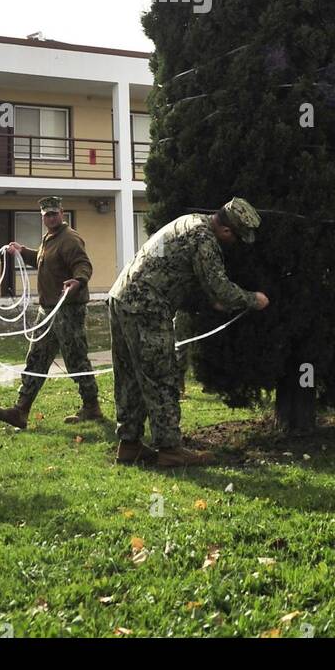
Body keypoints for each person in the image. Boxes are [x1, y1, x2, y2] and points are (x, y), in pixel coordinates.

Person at [108, 197, 270, 468]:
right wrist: (253, 299)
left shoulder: (190, 222)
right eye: (237, 238)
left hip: (121, 297)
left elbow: (179, 272)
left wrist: (211, 298)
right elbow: (219, 286)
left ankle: (129, 444)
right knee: (162, 376)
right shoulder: (204, 238)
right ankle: (170, 449)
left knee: (129, 377)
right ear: (227, 230)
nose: (235, 244)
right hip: (146, 306)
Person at [0, 195, 102, 429]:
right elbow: (44, 262)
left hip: (67, 310)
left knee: (76, 360)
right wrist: (24, 251)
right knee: (36, 359)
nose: (50, 218)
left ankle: (92, 407)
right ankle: (20, 410)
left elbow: (83, 265)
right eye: (46, 215)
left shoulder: (70, 239)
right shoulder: (49, 239)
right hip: (47, 311)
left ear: (62, 213)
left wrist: (78, 281)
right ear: (42, 217)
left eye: (54, 213)